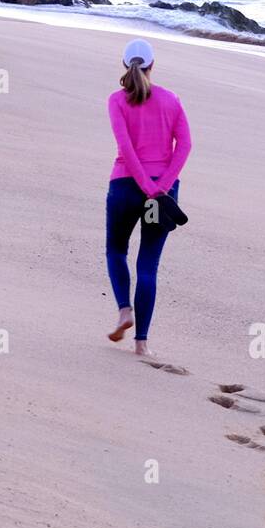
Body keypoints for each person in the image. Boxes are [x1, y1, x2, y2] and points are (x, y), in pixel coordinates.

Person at [105, 39, 192, 356]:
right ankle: (142, 343)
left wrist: (143, 182)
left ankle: (124, 310)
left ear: (124, 64)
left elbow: (125, 147)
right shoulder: (172, 100)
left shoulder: (116, 100)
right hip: (162, 194)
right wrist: (161, 186)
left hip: (126, 187)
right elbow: (184, 146)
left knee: (116, 250)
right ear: (153, 65)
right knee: (148, 266)